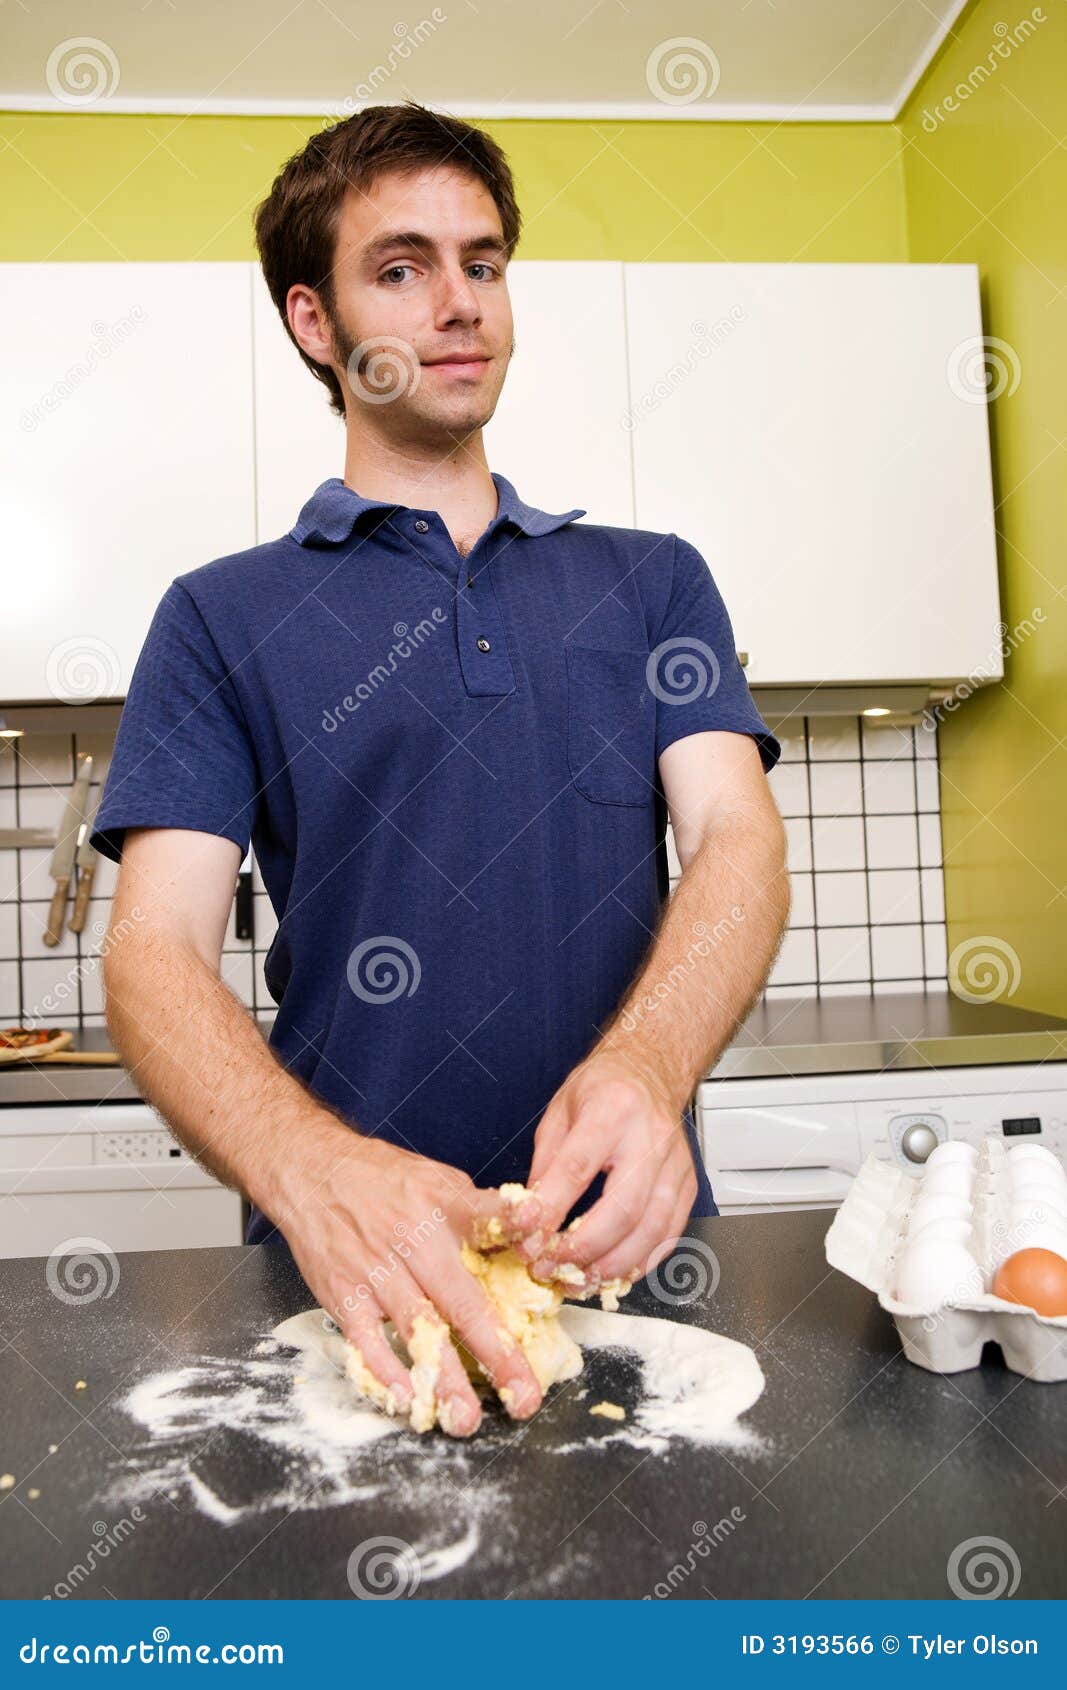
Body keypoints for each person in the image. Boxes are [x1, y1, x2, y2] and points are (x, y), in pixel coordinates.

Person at [91, 101, 789, 1437]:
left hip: (633, 1259)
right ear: (316, 324)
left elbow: (738, 842)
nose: (459, 302)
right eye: (402, 269)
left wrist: (645, 1073)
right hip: (346, 1279)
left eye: (483, 262)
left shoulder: (649, 583)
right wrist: (310, 1169)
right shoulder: (219, 615)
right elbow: (154, 947)